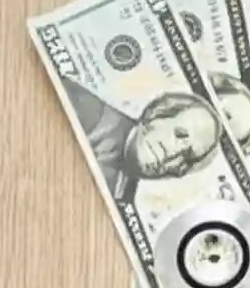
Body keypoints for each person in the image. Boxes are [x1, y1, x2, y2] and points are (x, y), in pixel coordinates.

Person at [61, 77, 223, 202]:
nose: (174, 151)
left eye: (187, 156)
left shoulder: (123, 197)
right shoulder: (88, 110)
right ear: (156, 115)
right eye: (179, 134)